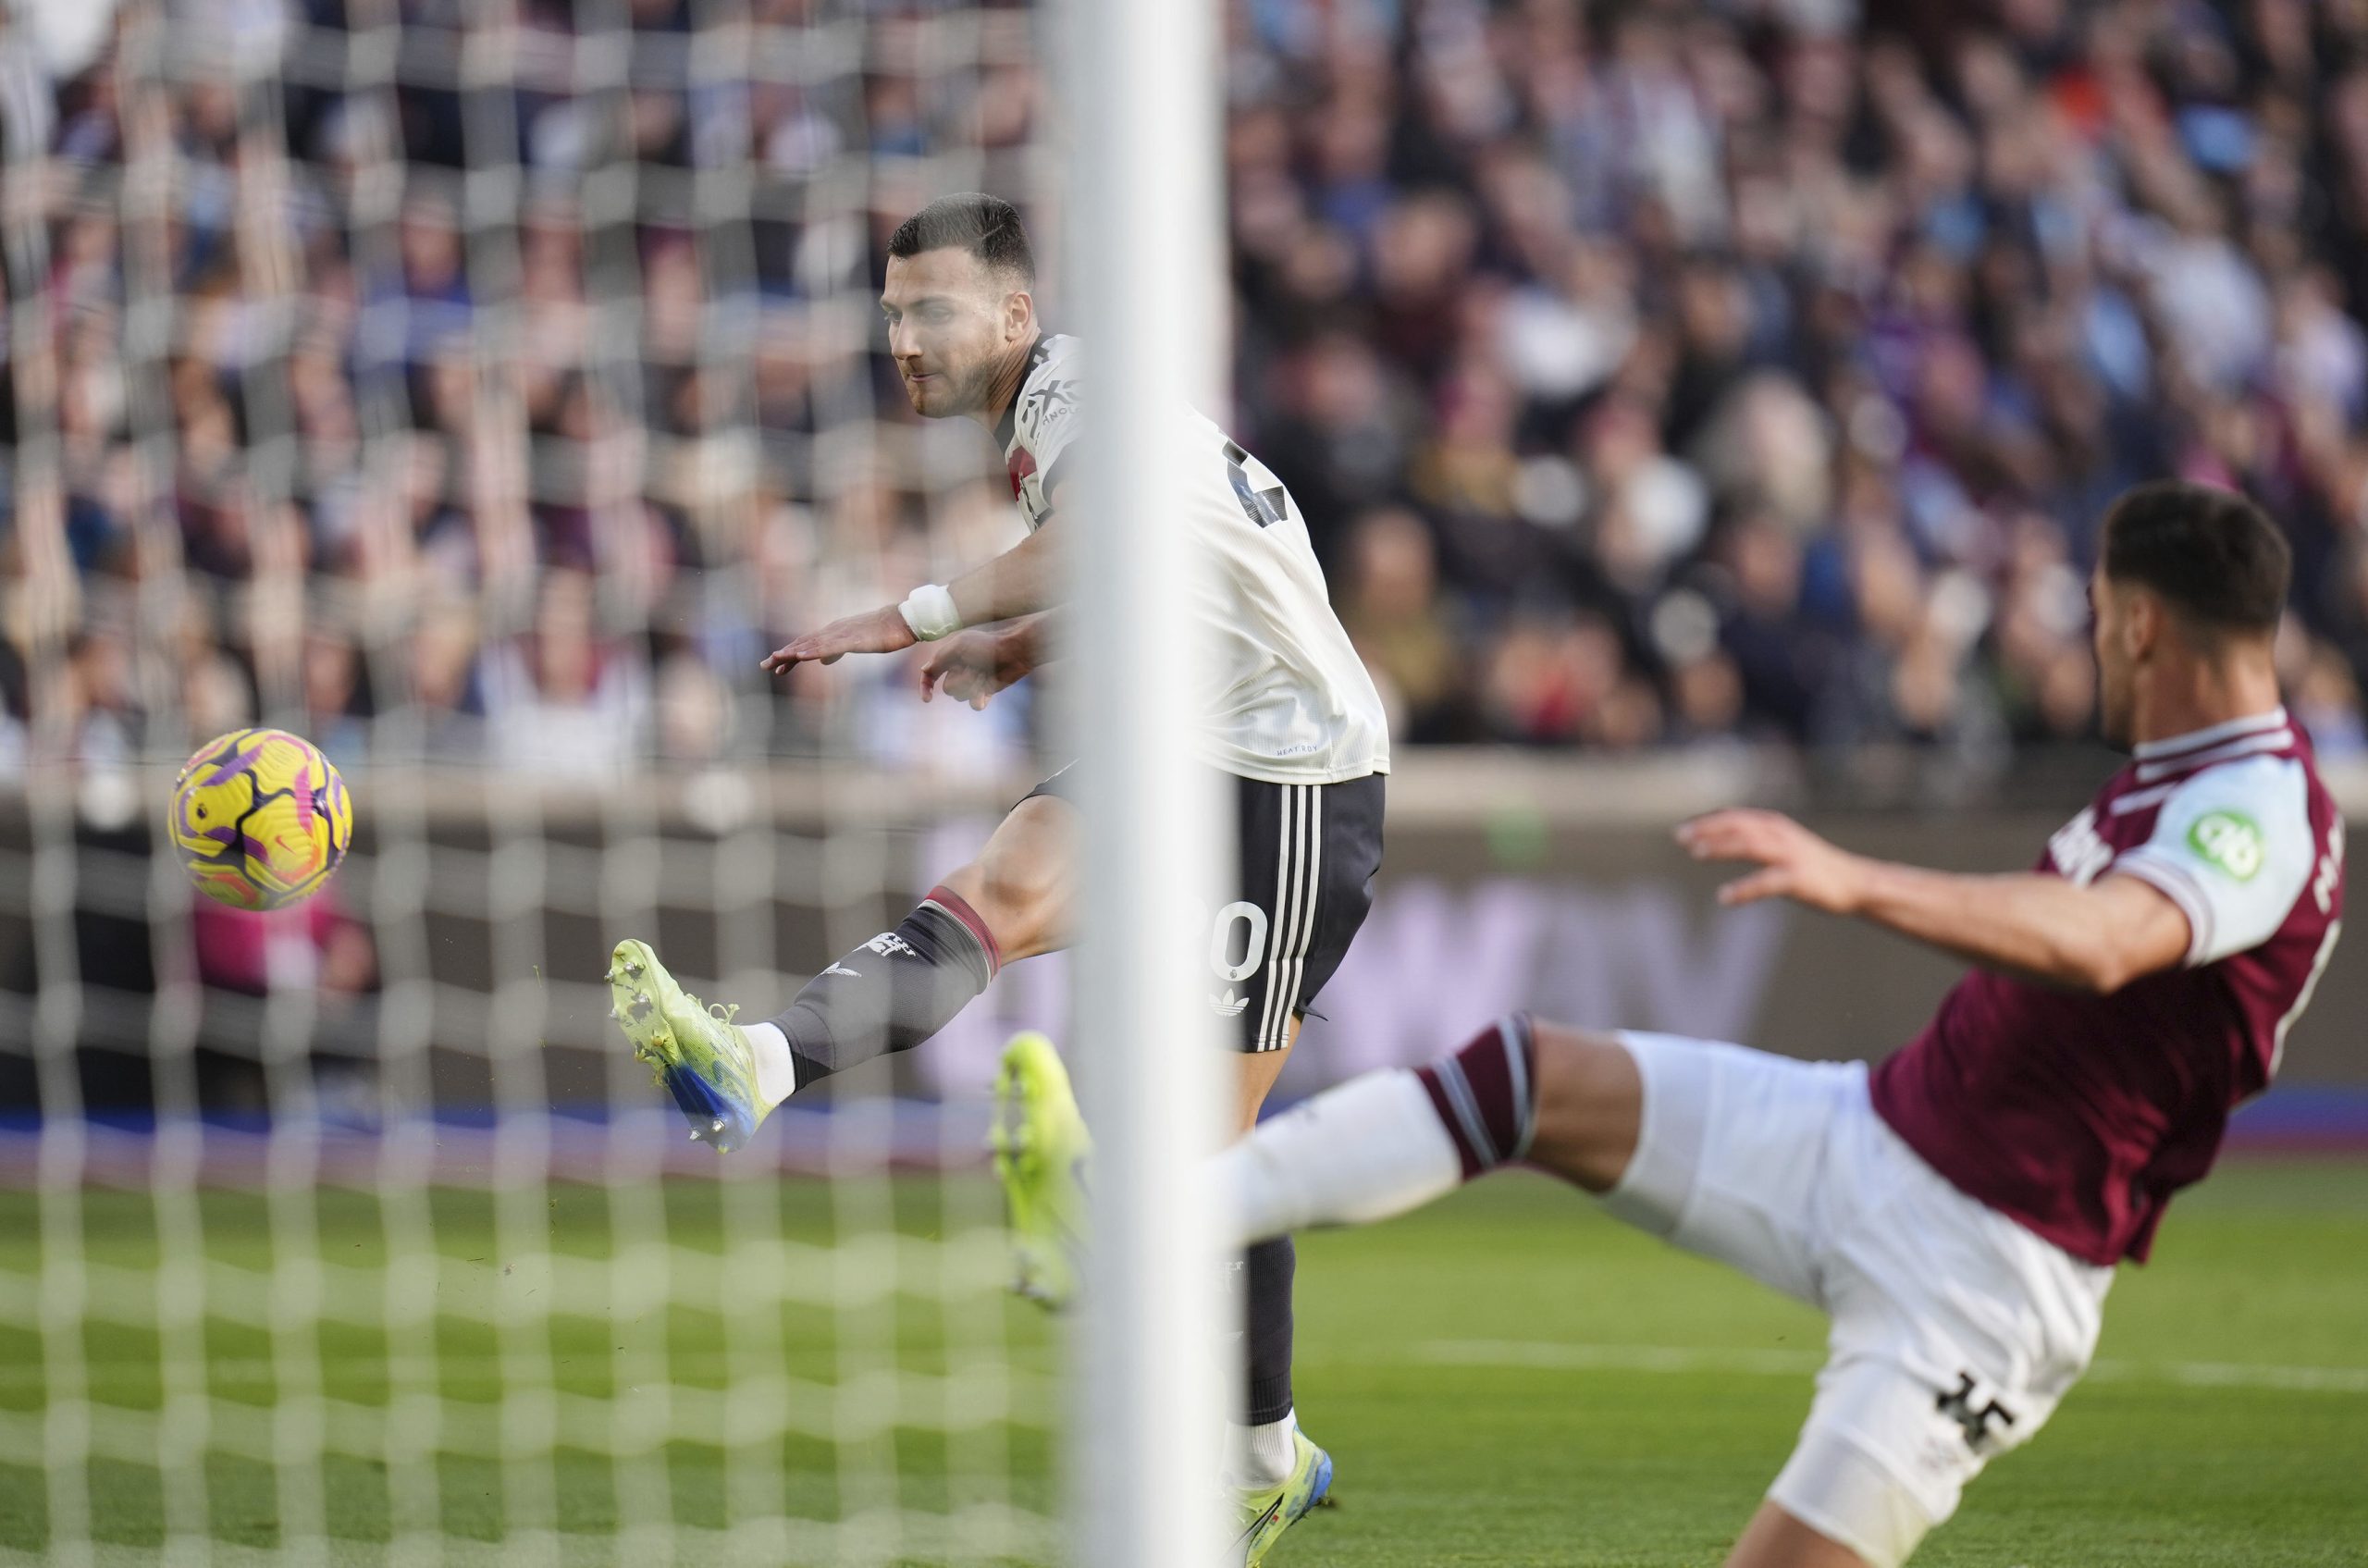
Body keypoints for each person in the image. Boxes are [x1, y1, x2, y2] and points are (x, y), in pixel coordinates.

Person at [1019, 482, 2340, 1568]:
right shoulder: (2179, 779)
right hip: (1870, 1135)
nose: (2091, 642)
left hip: (1991, 1278)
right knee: (1525, 1078)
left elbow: (2110, 945)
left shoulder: (2261, 810)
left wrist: (1857, 878)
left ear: (2147, 628)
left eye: (2101, 617)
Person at [604, 192, 1389, 1563]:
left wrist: (911, 617)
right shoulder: (1050, 417)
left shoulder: (1079, 400)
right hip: (1187, 745)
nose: (905, 338)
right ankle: (756, 1065)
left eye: (936, 310)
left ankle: (1266, 1457)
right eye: (894, 313)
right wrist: (1020, 655)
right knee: (996, 888)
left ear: (1015, 317)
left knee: (1209, 1159)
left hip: (1293, 781)